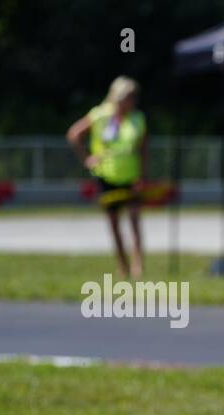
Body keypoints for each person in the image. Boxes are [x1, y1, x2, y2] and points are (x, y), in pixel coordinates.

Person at [66, 76, 148, 277]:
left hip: (130, 176)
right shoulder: (100, 116)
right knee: (114, 224)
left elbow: (143, 149)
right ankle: (123, 266)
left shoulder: (137, 119)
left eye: (134, 97)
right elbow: (74, 134)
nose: (133, 101)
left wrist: (142, 175)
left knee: (135, 220)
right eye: (129, 97)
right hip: (107, 177)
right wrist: (88, 158)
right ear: (118, 97)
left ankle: (138, 267)